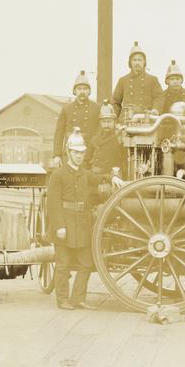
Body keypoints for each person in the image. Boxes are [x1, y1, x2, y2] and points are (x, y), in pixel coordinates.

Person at [47, 127, 123, 310]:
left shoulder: (84, 173)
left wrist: (111, 178)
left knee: (86, 263)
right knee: (63, 265)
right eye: (76, 153)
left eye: (82, 153)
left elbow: (97, 178)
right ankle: (63, 299)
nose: (80, 156)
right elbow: (53, 203)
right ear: (68, 152)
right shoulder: (58, 174)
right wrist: (59, 227)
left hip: (81, 224)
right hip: (64, 223)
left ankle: (78, 299)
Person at [52, 71, 100, 168]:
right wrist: (57, 155)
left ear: (89, 91)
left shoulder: (97, 108)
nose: (82, 91)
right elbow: (59, 132)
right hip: (69, 154)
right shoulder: (66, 108)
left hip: (89, 154)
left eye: (85, 89)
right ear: (74, 91)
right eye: (79, 89)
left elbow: (100, 132)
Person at [111, 41, 163, 120]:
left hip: (146, 118)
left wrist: (155, 109)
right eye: (134, 60)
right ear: (130, 62)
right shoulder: (123, 80)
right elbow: (115, 101)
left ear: (144, 62)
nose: (137, 63)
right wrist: (114, 116)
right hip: (126, 119)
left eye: (140, 60)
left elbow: (159, 97)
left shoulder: (152, 79)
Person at [85, 101, 126, 175]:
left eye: (109, 121)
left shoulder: (120, 139)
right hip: (96, 178)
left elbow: (126, 160)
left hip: (114, 178)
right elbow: (86, 161)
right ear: (100, 123)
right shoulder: (95, 140)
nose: (106, 125)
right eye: (104, 122)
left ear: (115, 122)